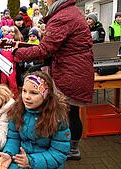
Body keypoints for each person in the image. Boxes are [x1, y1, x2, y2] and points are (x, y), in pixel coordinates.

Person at [13, 0, 94, 160]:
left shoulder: (62, 16)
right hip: (76, 68)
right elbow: (54, 46)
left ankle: (65, 149)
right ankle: (71, 147)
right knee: (71, 112)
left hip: (70, 71)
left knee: (66, 113)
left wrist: (17, 53)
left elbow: (45, 49)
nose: (44, 1)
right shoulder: (71, 11)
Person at [0, 71, 70, 169]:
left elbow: (59, 152)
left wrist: (31, 161)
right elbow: (14, 138)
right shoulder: (16, 110)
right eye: (24, 91)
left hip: (47, 164)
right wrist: (9, 154)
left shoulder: (58, 117)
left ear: (46, 95)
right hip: (21, 159)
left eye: (34, 93)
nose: (26, 97)